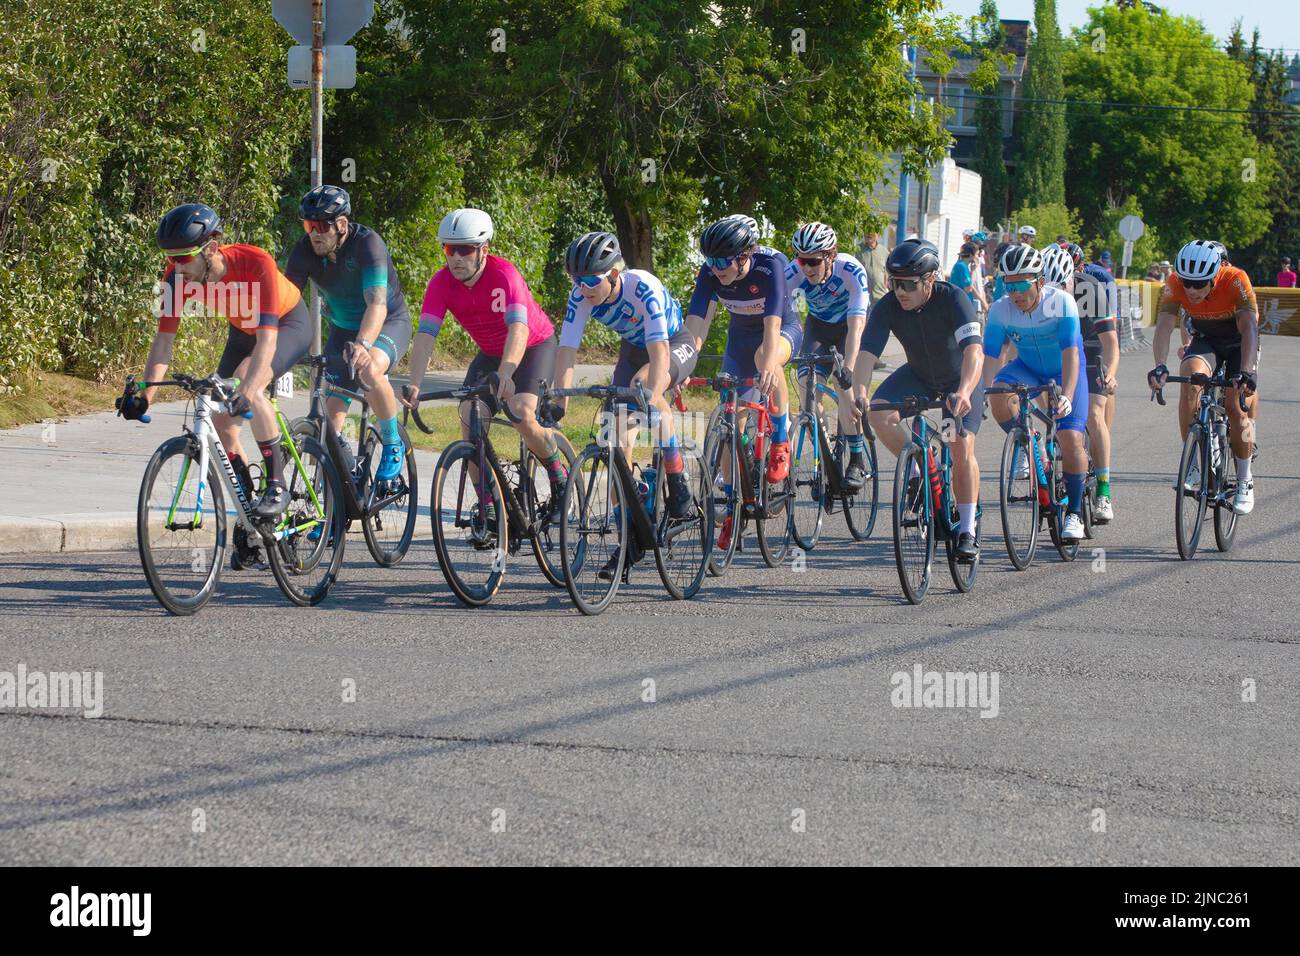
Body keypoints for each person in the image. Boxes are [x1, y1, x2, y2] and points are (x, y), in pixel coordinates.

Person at [122, 203, 314, 524]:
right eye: (171, 258)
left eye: (183, 258)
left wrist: (249, 389)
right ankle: (247, 504)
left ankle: (277, 483)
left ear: (211, 248)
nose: (176, 267)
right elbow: (164, 341)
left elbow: (267, 340)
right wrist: (145, 397)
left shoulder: (256, 262)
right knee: (222, 418)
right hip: (243, 329)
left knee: (243, 382)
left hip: (287, 324)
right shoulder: (175, 278)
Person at [552, 231, 699, 579]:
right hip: (633, 351)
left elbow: (660, 354)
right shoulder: (581, 296)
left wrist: (650, 396)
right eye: (576, 280)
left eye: (590, 280)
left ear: (614, 275)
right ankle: (630, 533)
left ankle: (678, 482)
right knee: (615, 441)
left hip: (674, 344)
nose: (583, 288)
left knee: (645, 388)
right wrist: (560, 400)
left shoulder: (642, 288)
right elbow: (567, 350)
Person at [401, 207, 566, 499]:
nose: (455, 258)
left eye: (464, 250)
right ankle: (489, 506)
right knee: (469, 419)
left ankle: (557, 472)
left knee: (521, 412)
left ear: (484, 250)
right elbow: (426, 336)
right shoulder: (440, 283)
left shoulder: (505, 274)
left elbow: (519, 329)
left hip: (533, 346)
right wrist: (415, 383)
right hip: (490, 352)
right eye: (450, 249)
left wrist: (506, 372)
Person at [850, 238, 984, 561]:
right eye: (895, 283)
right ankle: (919, 469)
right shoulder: (889, 307)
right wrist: (860, 391)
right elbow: (866, 355)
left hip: (957, 382)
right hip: (920, 376)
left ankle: (967, 530)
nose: (900, 292)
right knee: (879, 415)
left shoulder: (954, 300)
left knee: (958, 443)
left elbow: (974, 352)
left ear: (929, 280)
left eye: (908, 284)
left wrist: (964, 391)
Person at [685, 214, 803, 553]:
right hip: (739, 337)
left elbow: (773, 323)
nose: (716, 267)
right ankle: (731, 504)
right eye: (710, 260)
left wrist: (768, 363)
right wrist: (680, 367)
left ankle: (780, 438)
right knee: (729, 422)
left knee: (768, 357)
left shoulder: (771, 266)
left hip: (779, 330)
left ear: (744, 256)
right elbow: (695, 329)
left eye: (723, 261)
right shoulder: (710, 274)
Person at [284, 185, 411, 483]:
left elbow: (377, 304)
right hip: (342, 329)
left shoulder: (368, 244)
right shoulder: (304, 251)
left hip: (387, 322)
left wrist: (364, 345)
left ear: (341, 225)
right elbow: (285, 303)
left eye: (321, 226)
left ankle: (392, 442)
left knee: (368, 370)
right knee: (329, 420)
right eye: (307, 225)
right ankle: (337, 494)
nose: (313, 233)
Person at [983, 243, 1090, 541]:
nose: (1014, 292)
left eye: (1021, 284)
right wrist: (983, 390)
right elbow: (992, 355)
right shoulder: (1001, 309)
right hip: (1027, 368)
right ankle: (1028, 442)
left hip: (1064, 370)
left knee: (1070, 436)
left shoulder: (1062, 303)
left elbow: (1070, 354)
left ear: (1040, 282)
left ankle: (1075, 514)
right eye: (1008, 283)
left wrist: (1066, 394)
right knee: (997, 395)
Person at [1147, 239, 1259, 515]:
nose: (1191, 290)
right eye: (1187, 282)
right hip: (1206, 340)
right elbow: (1163, 327)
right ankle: (1194, 464)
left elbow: (1249, 330)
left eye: (1199, 284)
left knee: (1235, 406)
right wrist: (1160, 366)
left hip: (1238, 344)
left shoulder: (1235, 280)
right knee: (1190, 379)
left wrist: (1247, 371)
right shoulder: (1174, 284)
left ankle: (1244, 480)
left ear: (1214, 276)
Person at [785, 221, 872, 490]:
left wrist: (848, 366)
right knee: (807, 395)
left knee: (843, 389)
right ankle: (825, 453)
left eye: (813, 261)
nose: (807, 268)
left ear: (830, 256)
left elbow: (857, 326)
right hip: (818, 327)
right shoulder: (793, 275)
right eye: (802, 260)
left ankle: (857, 460)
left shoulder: (851, 271)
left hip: (849, 326)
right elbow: (794, 319)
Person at [1046, 244, 1119, 523]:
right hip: (1059, 350)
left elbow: (1111, 343)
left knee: (1094, 413)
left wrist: (1110, 372)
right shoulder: (1035, 294)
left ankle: (1103, 490)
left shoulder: (1091, 289)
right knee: (1053, 414)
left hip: (1091, 348)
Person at [948, 242, 987, 315]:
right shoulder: (962, 267)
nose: (978, 257)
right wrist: (973, 271)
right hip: (961, 306)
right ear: (971, 255)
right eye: (977, 254)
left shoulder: (959, 264)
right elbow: (968, 288)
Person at [858, 232, 890, 303]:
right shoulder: (857, 250)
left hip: (880, 296)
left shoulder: (885, 252)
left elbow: (886, 273)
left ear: (878, 235)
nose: (869, 233)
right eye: (867, 231)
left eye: (872, 231)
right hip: (863, 296)